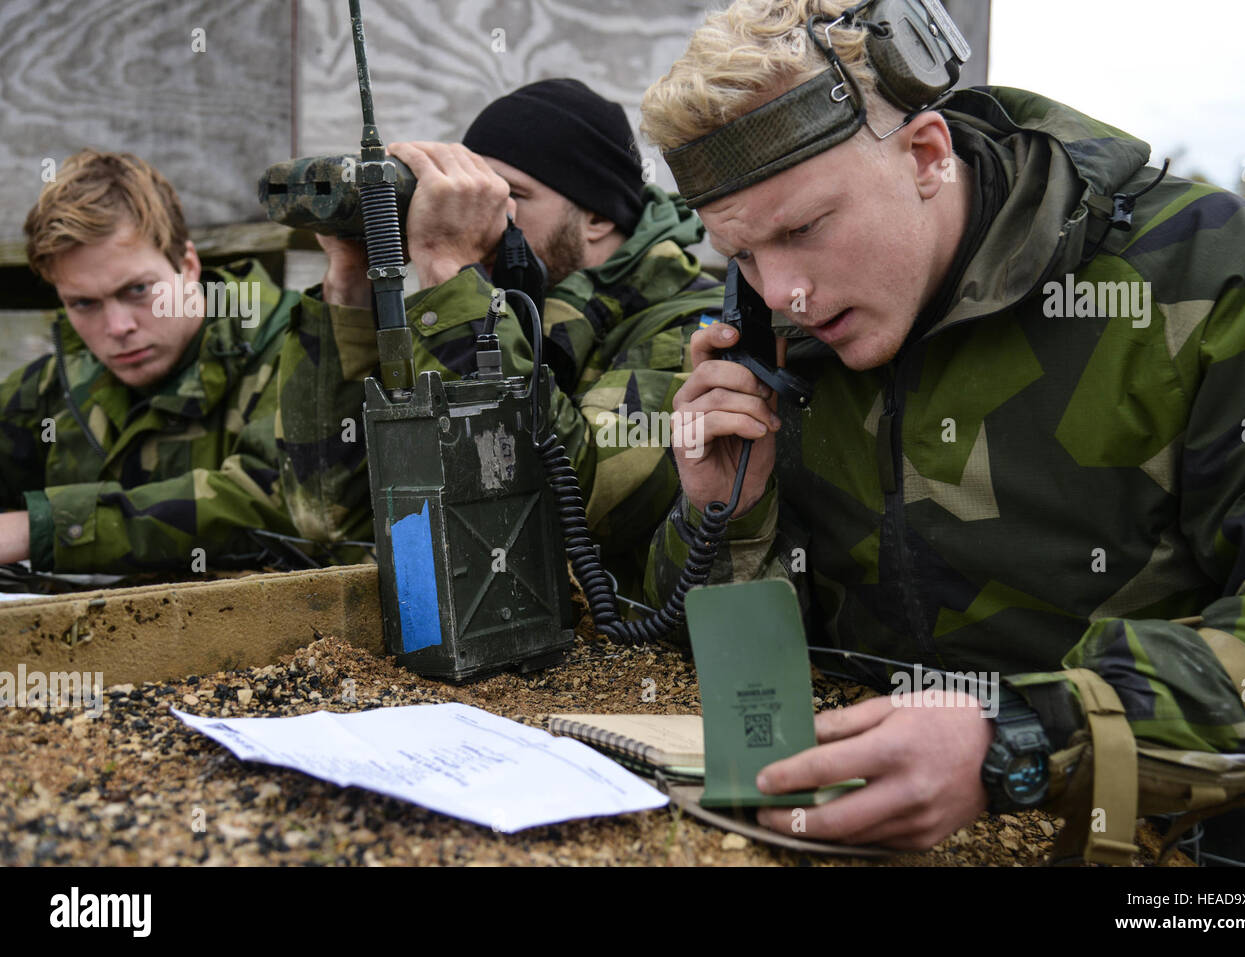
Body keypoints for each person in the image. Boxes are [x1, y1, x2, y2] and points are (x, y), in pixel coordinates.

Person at [641, 0, 1245, 864]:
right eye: (746, 255)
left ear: (925, 155)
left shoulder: (1212, 275)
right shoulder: (776, 345)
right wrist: (727, 512)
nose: (783, 293)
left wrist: (1021, 739)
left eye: (804, 229)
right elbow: (714, 672)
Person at [277, 78, 723, 596]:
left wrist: (447, 261)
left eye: (507, 194)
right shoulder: (476, 311)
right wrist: (352, 282)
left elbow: (585, 507)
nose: (482, 212)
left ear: (598, 216)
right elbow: (330, 515)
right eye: (472, 190)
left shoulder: (690, 326)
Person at [0, 149, 301, 574]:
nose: (117, 326)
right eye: (84, 303)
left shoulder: (292, 349)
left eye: (138, 290)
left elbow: (271, 502)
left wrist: (39, 528)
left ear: (188, 265)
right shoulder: (53, 387)